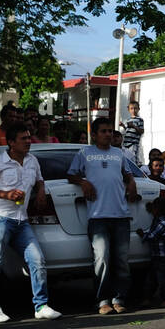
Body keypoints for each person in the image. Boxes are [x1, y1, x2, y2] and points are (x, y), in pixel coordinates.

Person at [0, 121, 62, 322]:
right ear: (11, 143)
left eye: (28, 137)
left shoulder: (32, 160)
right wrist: (4, 194)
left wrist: (41, 191)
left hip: (21, 220)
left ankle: (41, 305)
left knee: (37, 260)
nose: (28, 141)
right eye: (23, 139)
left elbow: (39, 178)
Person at [67, 117, 141, 315]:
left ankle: (119, 299)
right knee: (102, 259)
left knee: (122, 261)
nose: (108, 134)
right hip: (98, 216)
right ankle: (102, 301)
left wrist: (132, 183)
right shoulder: (84, 153)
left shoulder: (119, 154)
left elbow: (127, 174)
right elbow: (71, 174)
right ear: (95, 134)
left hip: (121, 216)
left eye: (110, 131)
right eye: (104, 131)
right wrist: (83, 183)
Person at [137, 197, 165, 307]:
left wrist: (142, 234)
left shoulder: (163, 223)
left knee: (163, 279)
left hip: (163, 258)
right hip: (157, 256)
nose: (151, 211)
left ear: (158, 210)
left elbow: (152, 236)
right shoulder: (158, 219)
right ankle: (148, 298)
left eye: (153, 208)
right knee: (151, 279)